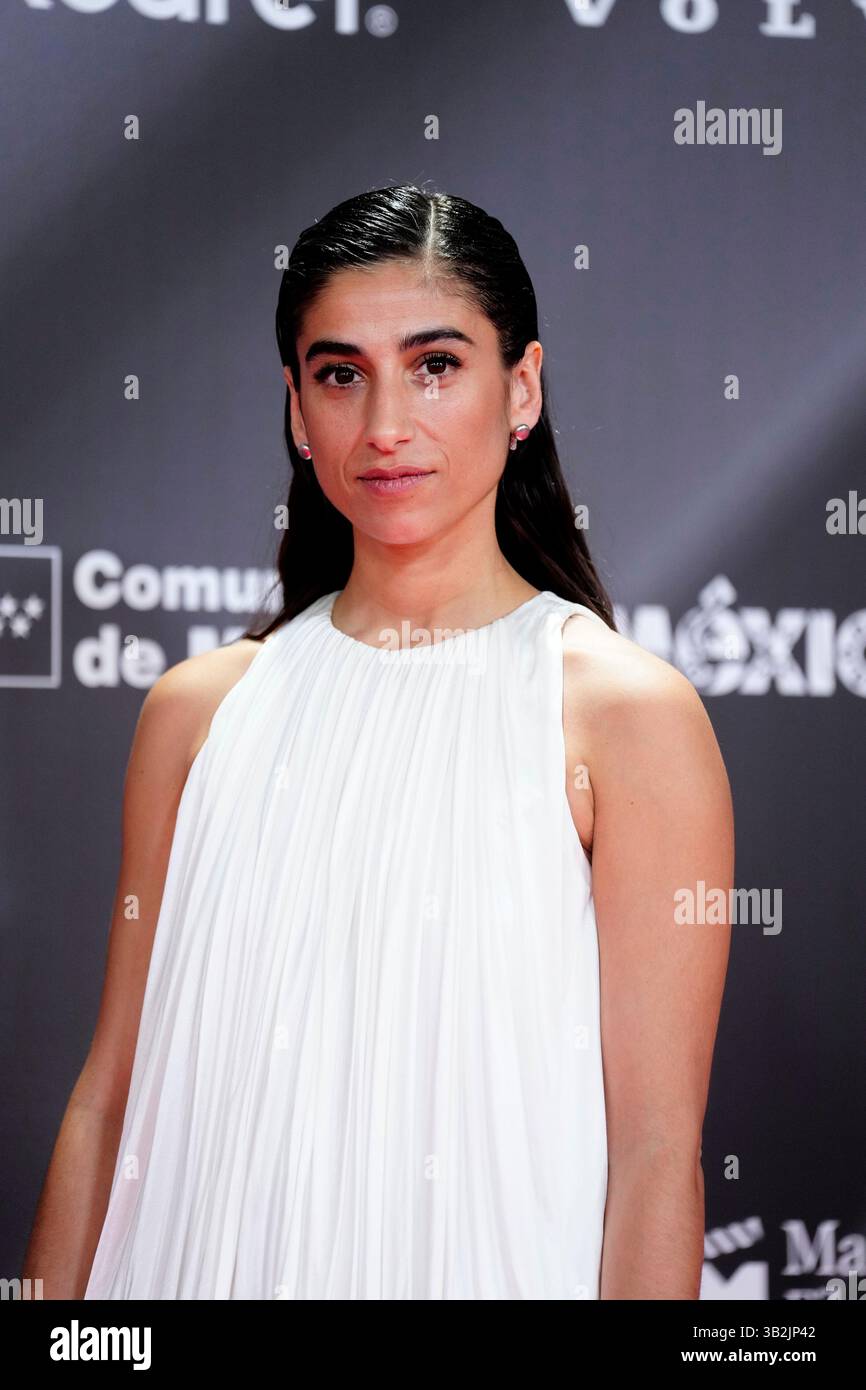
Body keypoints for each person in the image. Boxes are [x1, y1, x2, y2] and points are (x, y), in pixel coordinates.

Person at [23, 185, 733, 1300]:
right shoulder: (198, 713)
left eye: (436, 364)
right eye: (340, 374)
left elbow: (654, 1154)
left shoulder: (620, 715)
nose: (385, 425)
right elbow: (108, 1098)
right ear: (298, 414)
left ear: (523, 389)